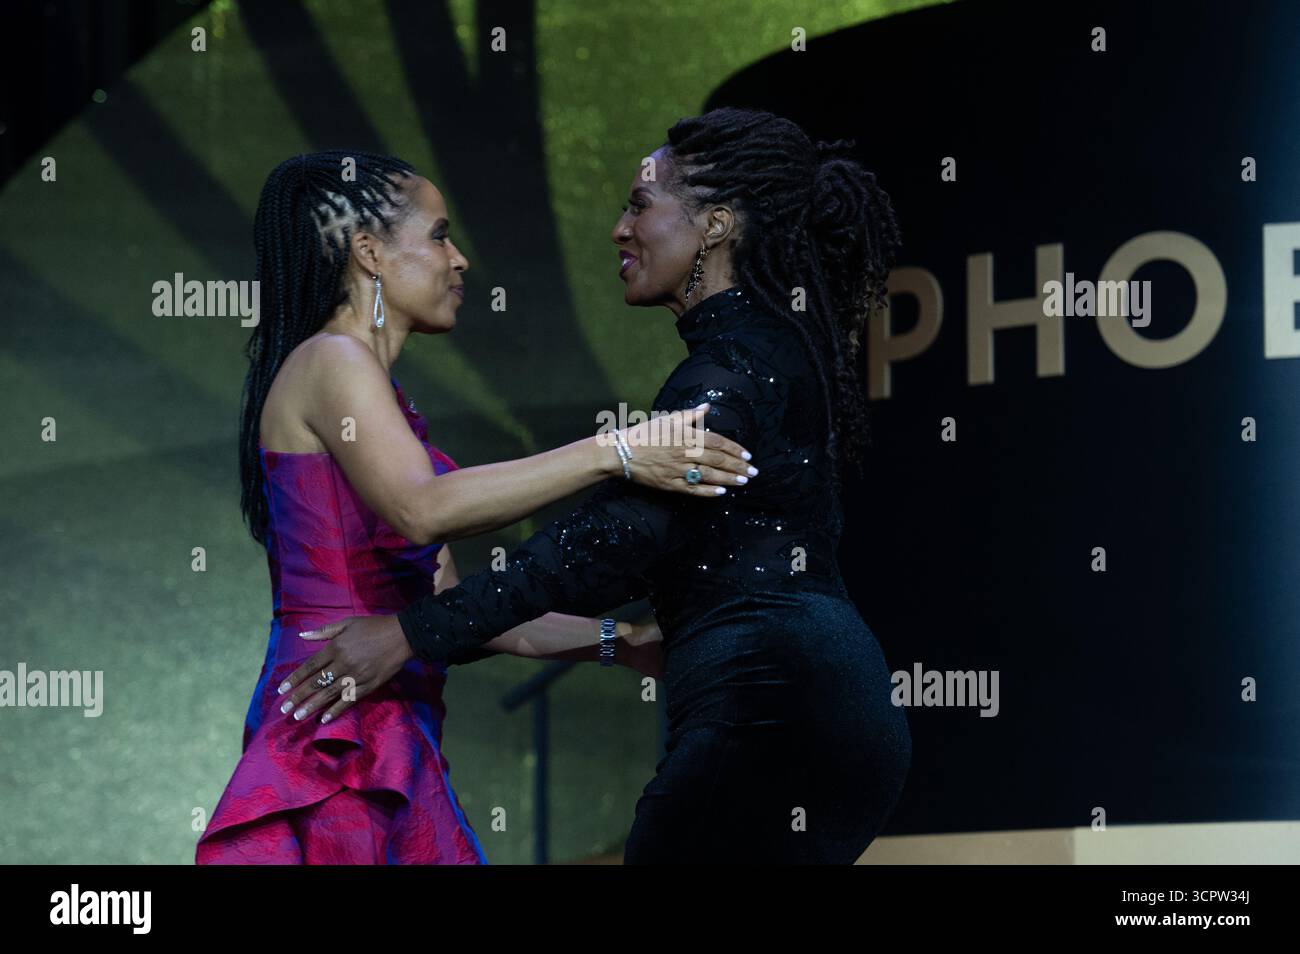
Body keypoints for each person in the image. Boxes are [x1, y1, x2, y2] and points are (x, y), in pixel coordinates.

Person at [280, 109, 913, 864]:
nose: (618, 230)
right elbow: (584, 568)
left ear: (714, 226)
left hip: (770, 703)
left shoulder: (730, 374)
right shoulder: (756, 353)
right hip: (819, 700)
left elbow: (601, 548)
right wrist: (622, 639)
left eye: (639, 206)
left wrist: (407, 633)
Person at [196, 150, 754, 865]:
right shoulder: (332, 361)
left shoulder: (376, 397)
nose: (459, 260)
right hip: (335, 739)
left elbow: (468, 615)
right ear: (369, 252)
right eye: (438, 235)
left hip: (387, 726)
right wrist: (616, 450)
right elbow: (424, 508)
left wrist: (623, 644)